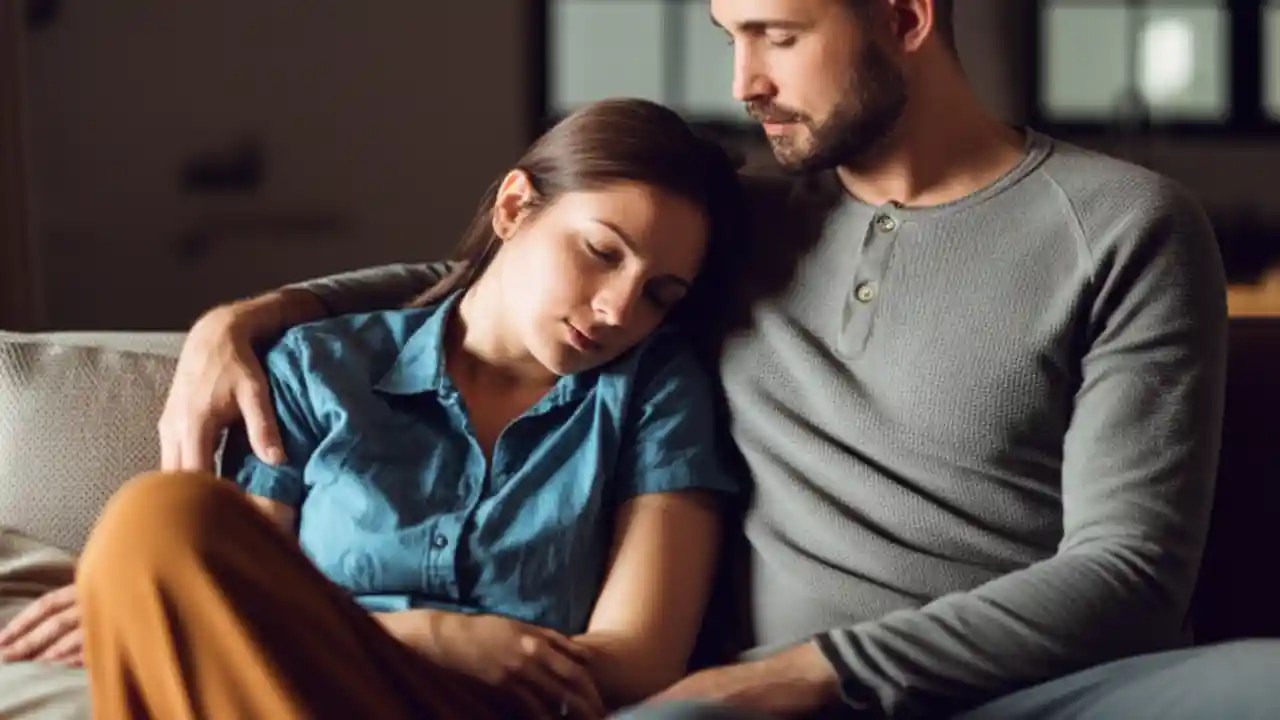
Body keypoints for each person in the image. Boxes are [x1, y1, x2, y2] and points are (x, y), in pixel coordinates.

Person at [15, 0, 1280, 718]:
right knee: (165, 533)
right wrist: (244, 317)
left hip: (1005, 693)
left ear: (903, 15)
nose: (743, 79)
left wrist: (791, 679)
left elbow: (1126, 573)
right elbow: (505, 288)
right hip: (721, 710)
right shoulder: (745, 224)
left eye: (775, 34)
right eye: (730, 32)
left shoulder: (1120, 226)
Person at [0, 98, 748, 719]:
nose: (619, 308)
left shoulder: (655, 390)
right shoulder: (319, 365)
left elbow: (637, 661)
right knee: (157, 517)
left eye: (660, 294)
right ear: (516, 207)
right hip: (301, 691)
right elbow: (242, 598)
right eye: (601, 251)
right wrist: (427, 636)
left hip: (496, 710)